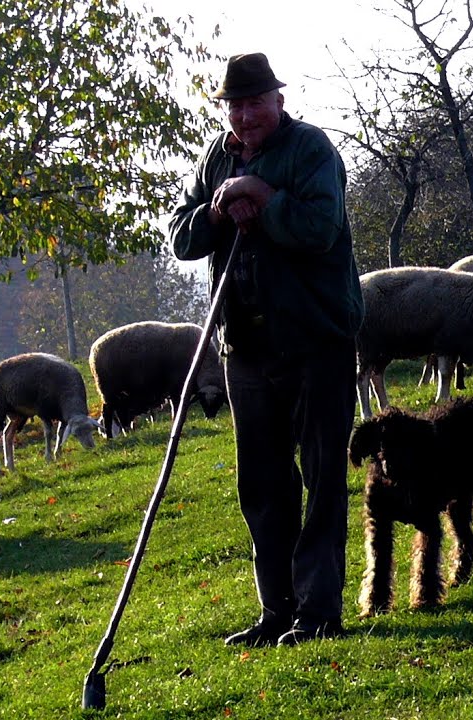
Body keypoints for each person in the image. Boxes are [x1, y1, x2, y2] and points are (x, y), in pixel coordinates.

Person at [169, 53, 364, 646]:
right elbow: (182, 237)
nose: (246, 115)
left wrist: (263, 195)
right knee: (260, 483)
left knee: (322, 477)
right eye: (235, 104)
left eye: (256, 102)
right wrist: (220, 207)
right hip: (244, 348)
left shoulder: (311, 151)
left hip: (315, 342)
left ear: (280, 100)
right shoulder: (216, 156)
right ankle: (276, 611)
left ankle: (319, 613)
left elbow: (320, 229)